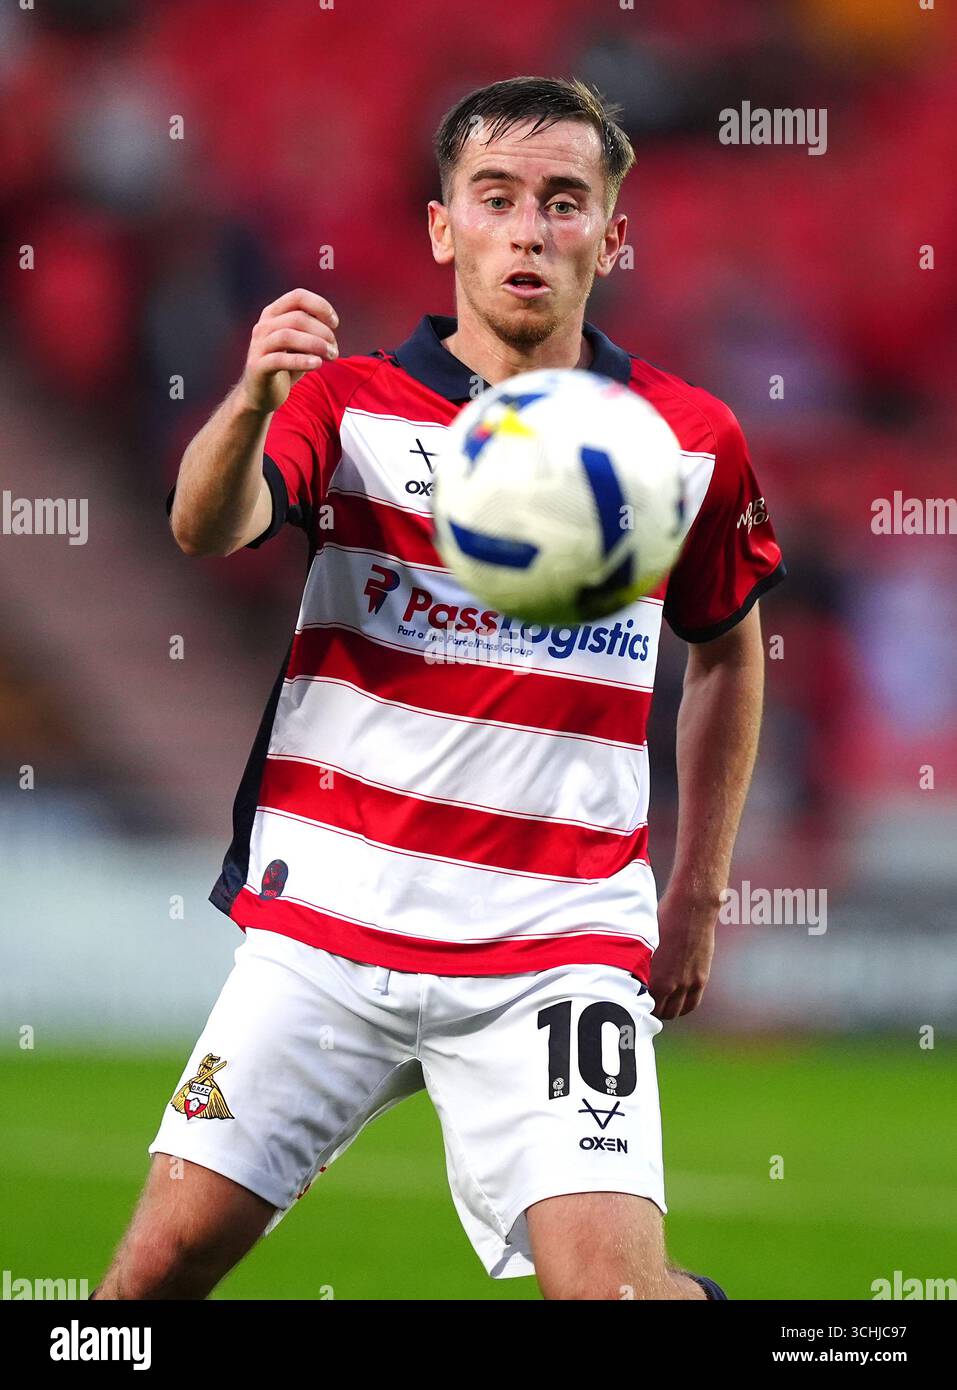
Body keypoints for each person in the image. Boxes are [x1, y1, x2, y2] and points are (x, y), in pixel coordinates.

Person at [94, 75, 785, 1301]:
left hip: (555, 945)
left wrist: (699, 893)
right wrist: (249, 403)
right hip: (326, 935)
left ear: (612, 237)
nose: (530, 229)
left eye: (565, 202)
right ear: (441, 226)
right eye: (498, 198)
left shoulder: (686, 440)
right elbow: (209, 525)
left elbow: (730, 647)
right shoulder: (346, 404)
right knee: (144, 1286)